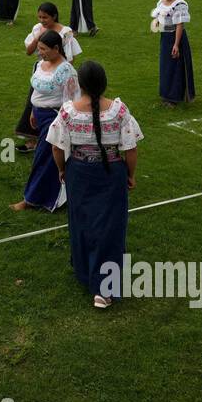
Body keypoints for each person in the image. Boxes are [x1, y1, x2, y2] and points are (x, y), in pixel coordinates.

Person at [47, 60, 143, 308]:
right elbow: (130, 149)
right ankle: (103, 286)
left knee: (83, 222)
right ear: (104, 82)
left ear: (81, 84)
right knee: (109, 227)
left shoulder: (68, 112)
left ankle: (90, 274)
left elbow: (57, 147)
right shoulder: (119, 111)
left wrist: (62, 170)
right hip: (111, 173)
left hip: (79, 172)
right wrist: (130, 175)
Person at [11, 30, 79, 212]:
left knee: (44, 158)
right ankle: (44, 195)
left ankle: (31, 199)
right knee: (45, 158)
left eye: (43, 49)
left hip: (55, 118)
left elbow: (71, 101)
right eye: (39, 48)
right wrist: (33, 111)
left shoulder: (66, 71)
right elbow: (36, 90)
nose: (39, 52)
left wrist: (60, 125)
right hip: (39, 116)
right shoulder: (41, 64)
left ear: (56, 49)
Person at [15, 2, 81, 151]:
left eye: (45, 17)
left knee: (57, 103)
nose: (42, 20)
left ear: (54, 16)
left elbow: (70, 57)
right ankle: (33, 139)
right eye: (39, 17)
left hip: (59, 71)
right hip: (41, 69)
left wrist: (62, 70)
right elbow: (29, 51)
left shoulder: (65, 32)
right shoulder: (38, 29)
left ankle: (54, 139)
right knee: (34, 103)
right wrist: (38, 36)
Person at [150, 0, 195, 106]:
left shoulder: (179, 4)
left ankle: (174, 97)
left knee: (175, 67)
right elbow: (159, 17)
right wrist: (155, 25)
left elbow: (180, 25)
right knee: (166, 66)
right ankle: (166, 95)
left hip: (175, 38)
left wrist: (176, 44)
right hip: (165, 37)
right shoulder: (162, 2)